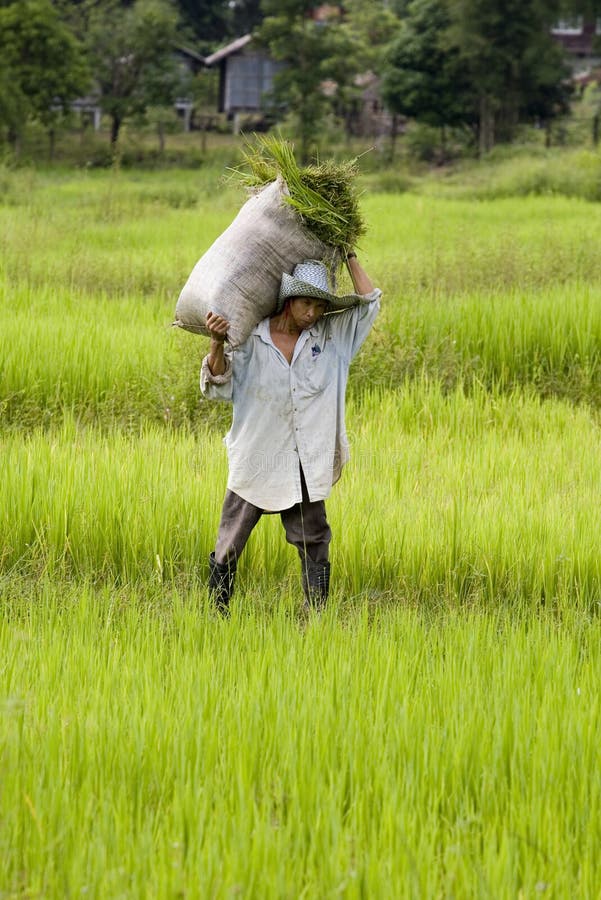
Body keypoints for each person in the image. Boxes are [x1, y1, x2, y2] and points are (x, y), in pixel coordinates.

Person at [201, 253, 381, 613]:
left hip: (305, 458)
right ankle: (215, 612)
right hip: (257, 455)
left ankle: (315, 615)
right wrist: (216, 343)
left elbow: (370, 303)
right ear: (288, 301)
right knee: (230, 541)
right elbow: (218, 385)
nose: (312, 313)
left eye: (318, 305)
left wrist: (349, 255)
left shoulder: (331, 338)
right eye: (305, 304)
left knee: (314, 539)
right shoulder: (251, 337)